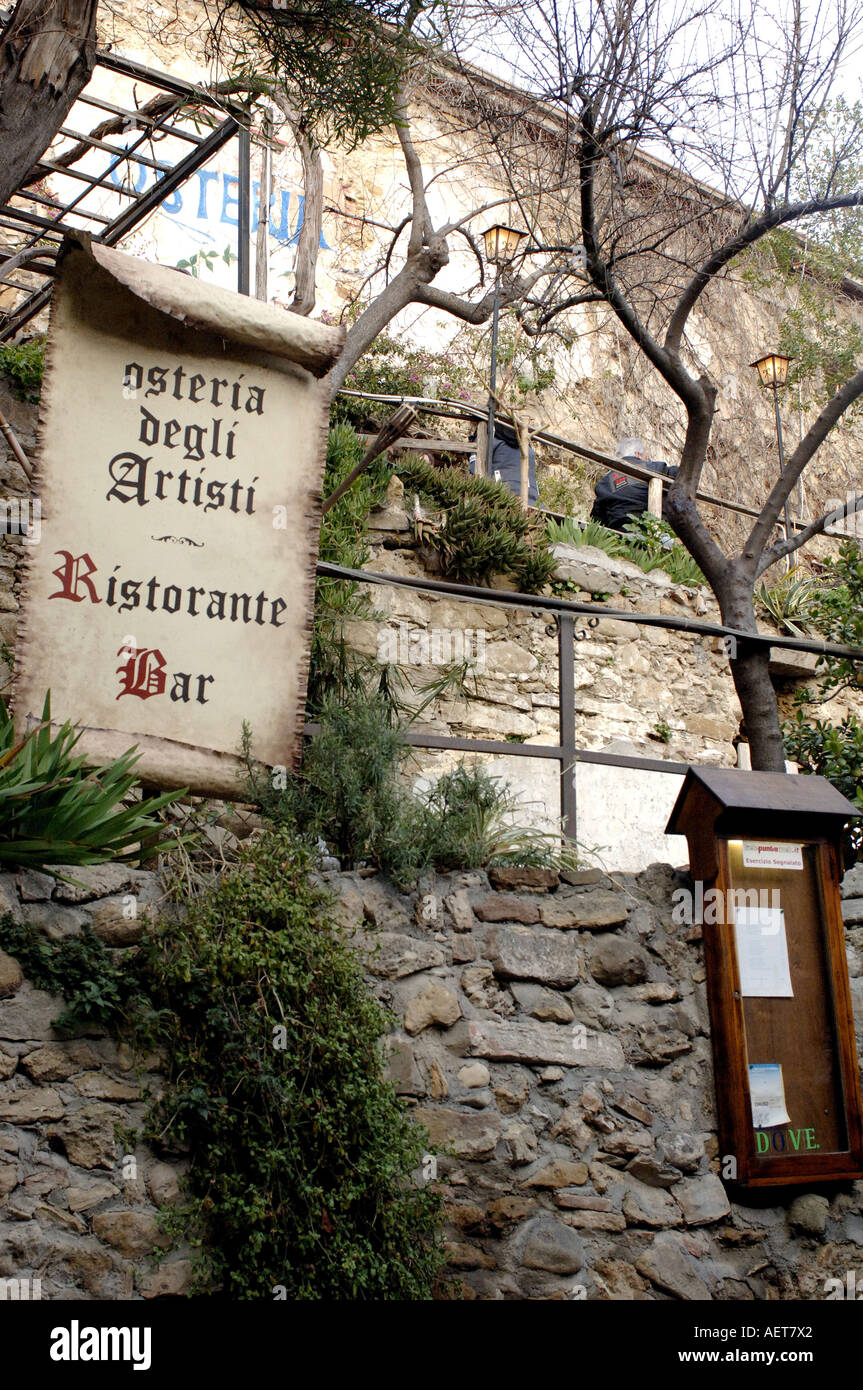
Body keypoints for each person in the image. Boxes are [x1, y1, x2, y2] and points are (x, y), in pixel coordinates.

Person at [591, 436, 678, 532]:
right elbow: (681, 474)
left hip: (617, 535)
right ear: (637, 454)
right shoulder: (655, 468)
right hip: (651, 534)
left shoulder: (604, 483)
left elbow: (596, 519)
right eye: (645, 456)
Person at [469, 421, 539, 506]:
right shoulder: (528, 448)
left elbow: (474, 470)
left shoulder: (490, 441)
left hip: (501, 496)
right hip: (532, 500)